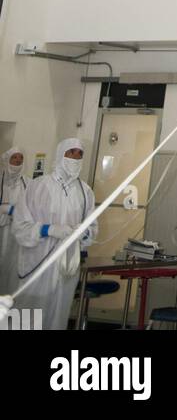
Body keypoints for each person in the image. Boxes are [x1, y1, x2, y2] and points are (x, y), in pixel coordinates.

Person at [13, 138, 97, 330]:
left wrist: (84, 234)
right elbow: (20, 226)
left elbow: (92, 226)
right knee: (29, 314)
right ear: (61, 154)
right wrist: (48, 229)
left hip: (67, 266)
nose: (75, 157)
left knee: (58, 315)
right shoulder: (38, 186)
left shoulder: (85, 191)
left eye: (79, 154)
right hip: (37, 261)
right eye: (71, 153)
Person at [0, 148, 30, 298]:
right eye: (14, 158)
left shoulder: (27, 183)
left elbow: (31, 206)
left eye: (20, 158)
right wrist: (4, 209)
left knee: (11, 268)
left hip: (16, 234)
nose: (18, 160)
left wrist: (16, 212)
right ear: (7, 160)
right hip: (1, 229)